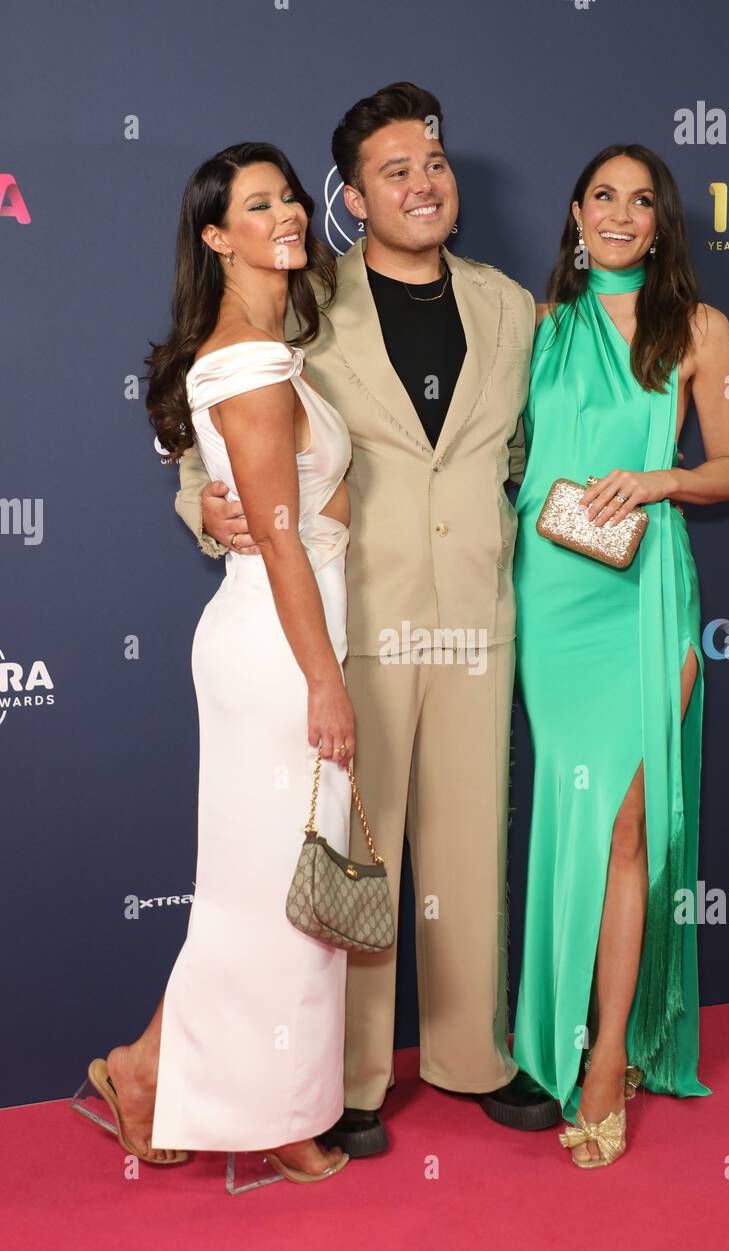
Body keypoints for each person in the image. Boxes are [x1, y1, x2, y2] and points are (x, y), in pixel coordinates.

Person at [174, 83, 559, 1155]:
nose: (421, 184)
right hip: (357, 626)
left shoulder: (506, 307)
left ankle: (470, 1053)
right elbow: (217, 430)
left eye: (432, 164)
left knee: (470, 846)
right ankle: (345, 1079)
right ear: (349, 196)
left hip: (477, 615)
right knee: (361, 852)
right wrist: (206, 510)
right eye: (393, 171)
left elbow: (517, 458)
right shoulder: (304, 300)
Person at [84, 142, 355, 1183]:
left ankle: (148, 1071)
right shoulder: (246, 360)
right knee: (275, 894)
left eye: (288, 195)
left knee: (268, 888)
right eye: (258, 204)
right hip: (280, 646)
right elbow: (281, 535)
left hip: (286, 631)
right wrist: (324, 679)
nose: (287, 212)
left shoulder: (263, 346)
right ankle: (269, 1115)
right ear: (215, 235)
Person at [511, 145, 729, 1168]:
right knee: (576, 820)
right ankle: (565, 1032)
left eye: (638, 201)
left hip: (647, 594)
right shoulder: (539, 328)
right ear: (575, 213)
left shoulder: (699, 329)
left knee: (627, 829)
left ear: (660, 224)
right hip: (554, 601)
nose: (617, 214)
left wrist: (655, 482)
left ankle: (606, 1054)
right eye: (601, 197)